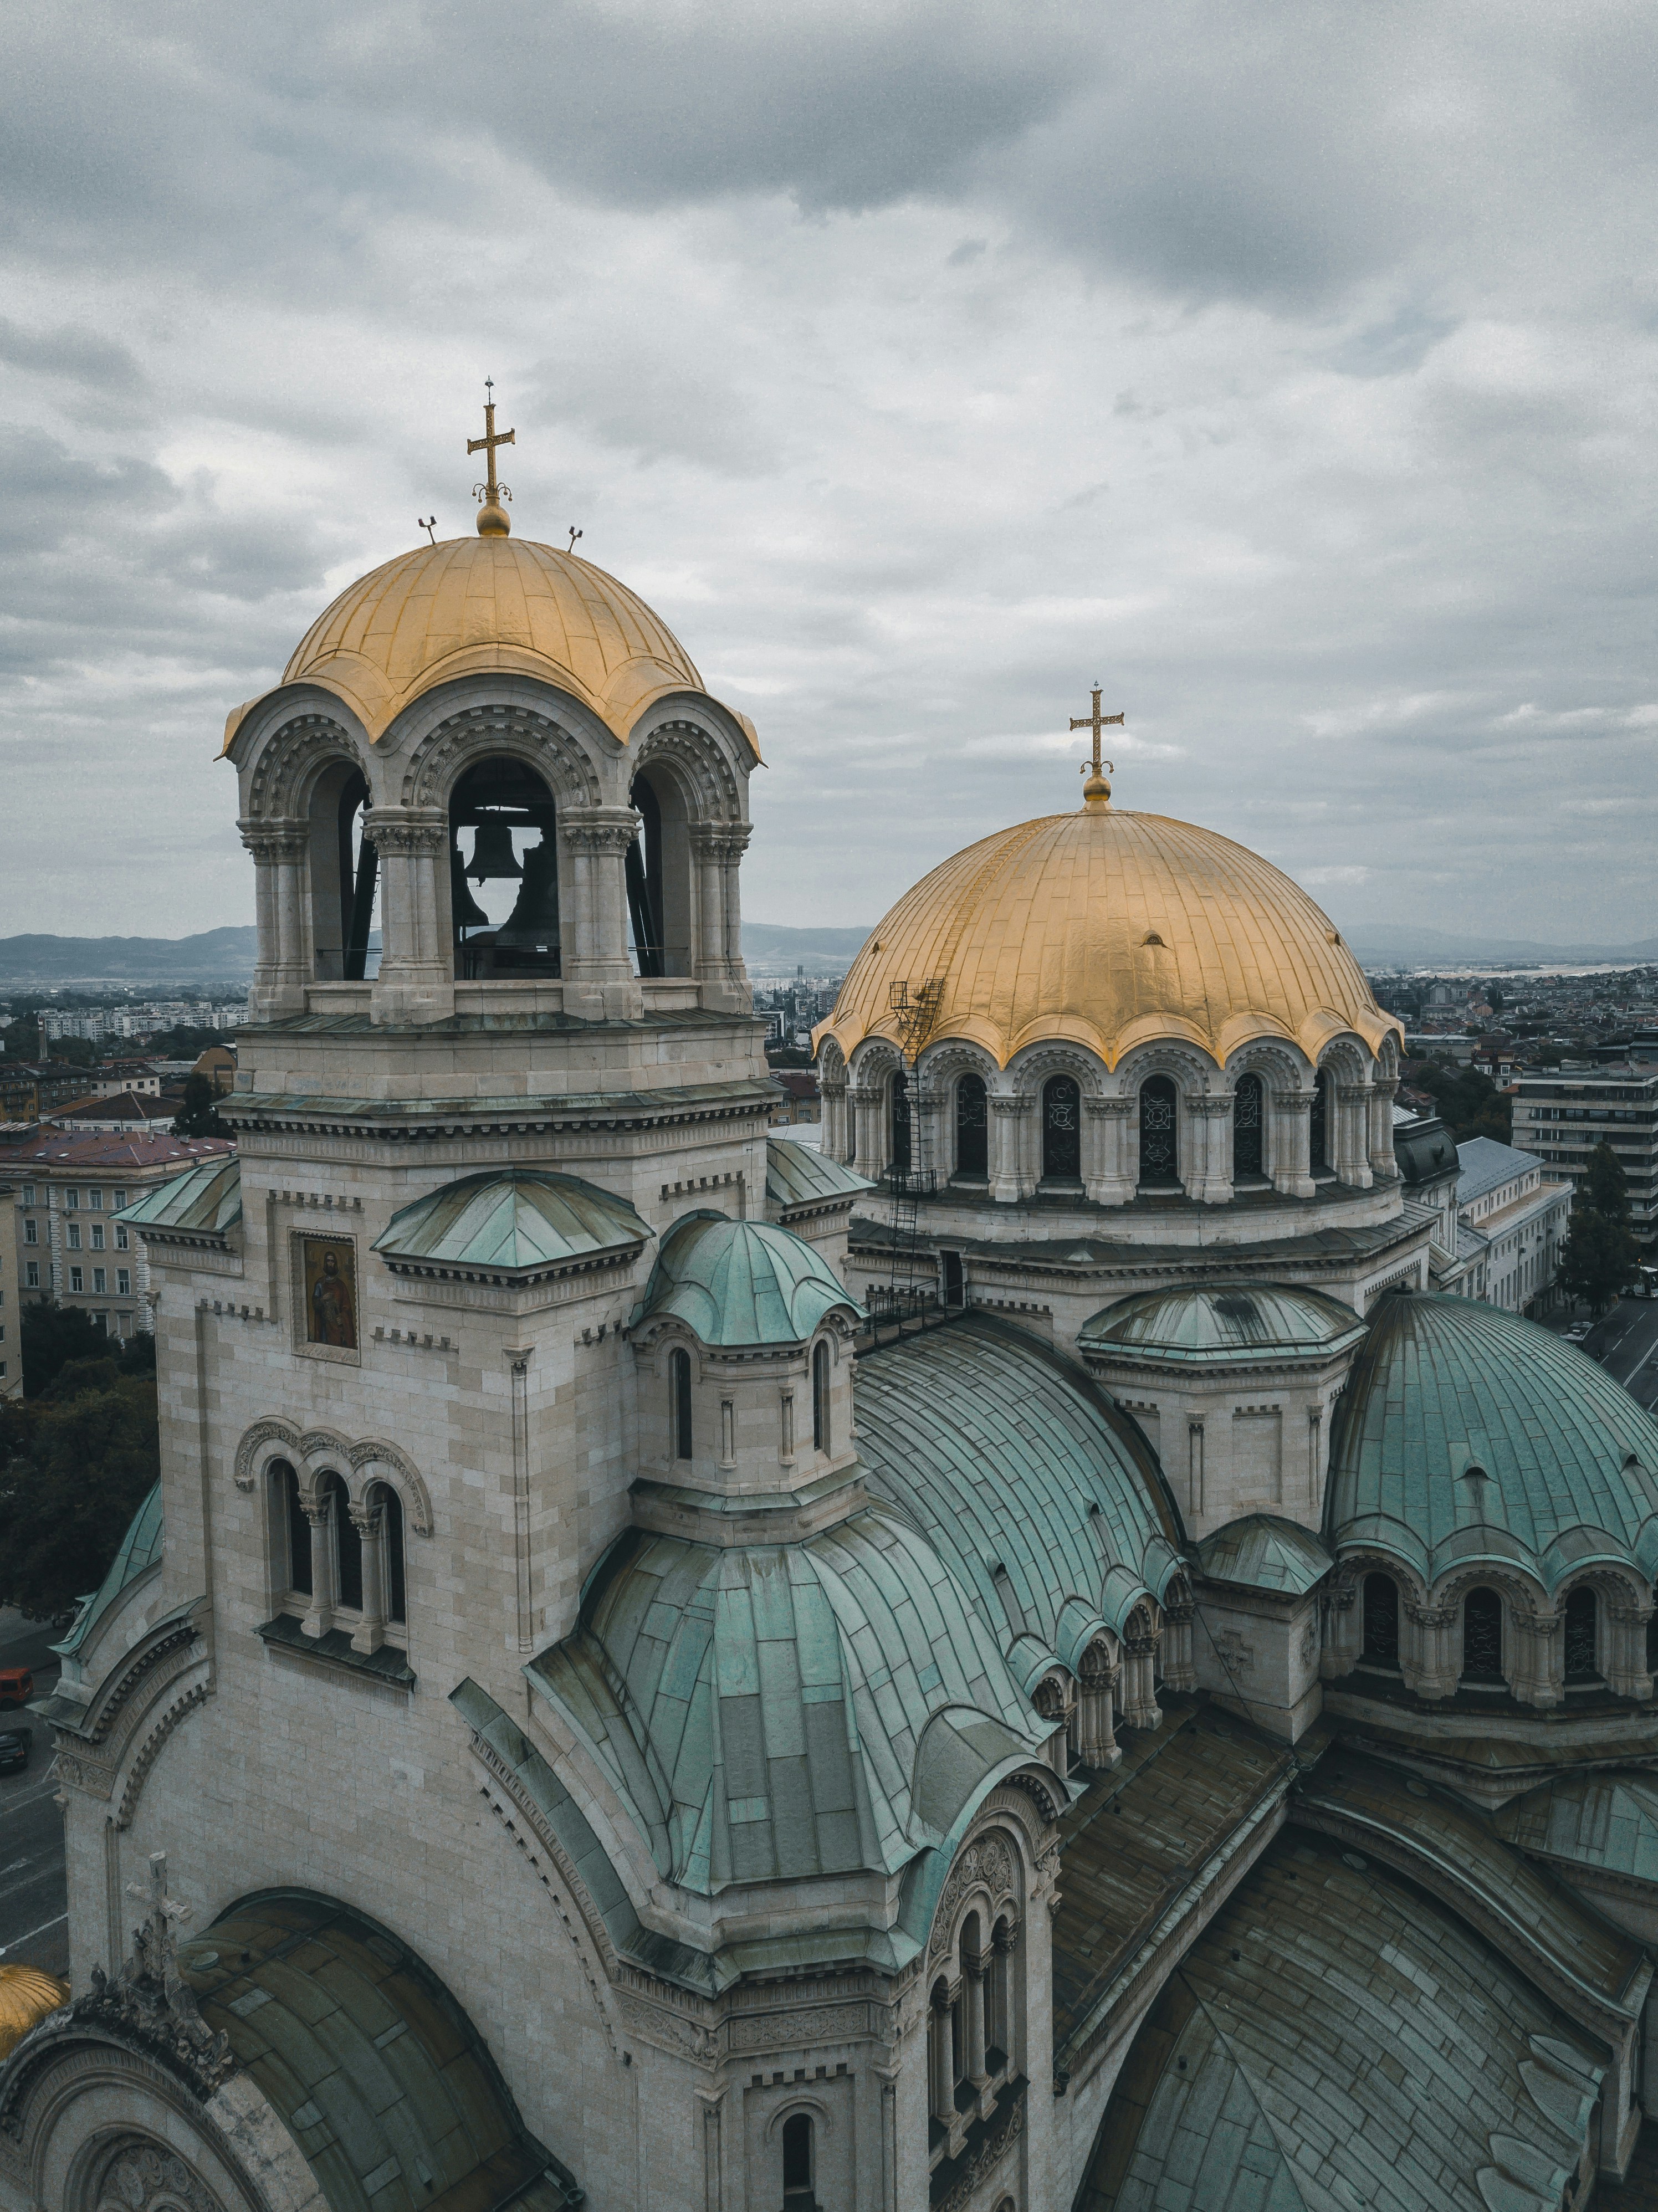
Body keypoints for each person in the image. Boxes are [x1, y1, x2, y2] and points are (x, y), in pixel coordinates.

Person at [311, 1248, 355, 1347]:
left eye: (332, 1261)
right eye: (328, 1261)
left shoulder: (341, 1286)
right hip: (325, 1327)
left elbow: (347, 1308)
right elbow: (315, 1304)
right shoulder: (320, 1284)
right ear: (325, 1263)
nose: (330, 1264)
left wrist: (343, 1318)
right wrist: (323, 1299)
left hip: (338, 1327)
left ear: (335, 1263)